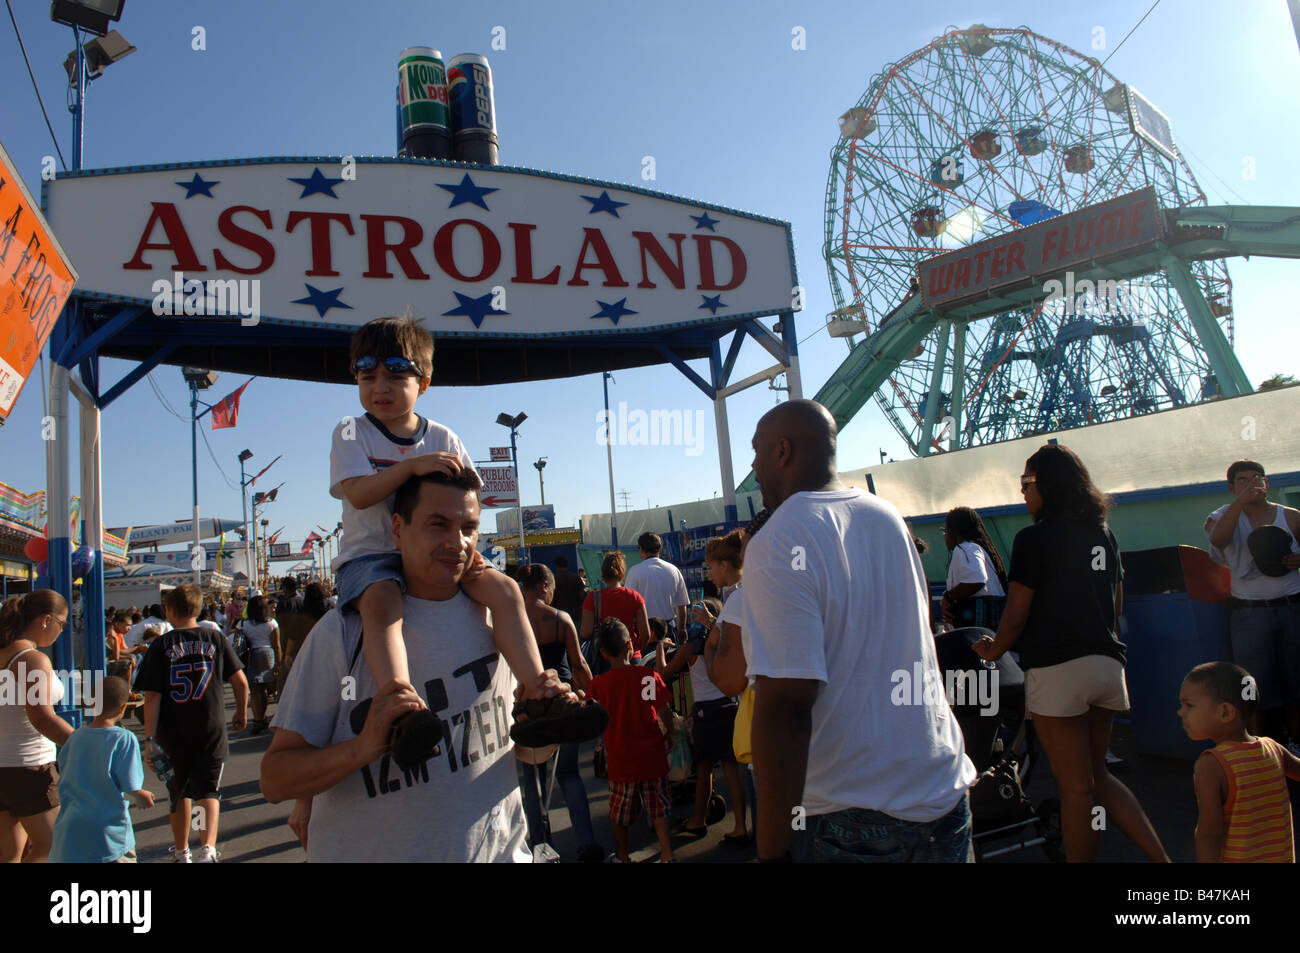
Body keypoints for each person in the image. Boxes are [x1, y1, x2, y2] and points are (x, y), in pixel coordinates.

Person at [262, 468, 589, 862]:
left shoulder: (496, 620)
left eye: (469, 527)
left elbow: (522, 756)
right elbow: (275, 779)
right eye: (438, 525)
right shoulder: (344, 633)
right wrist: (363, 748)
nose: (458, 542)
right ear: (397, 529)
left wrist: (542, 726)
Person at [744, 400, 976, 863]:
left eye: (757, 452)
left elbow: (787, 704)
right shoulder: (887, 516)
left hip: (851, 819)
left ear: (782, 451)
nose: (752, 468)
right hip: (944, 793)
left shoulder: (781, 539)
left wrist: (769, 849)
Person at [973, 443, 1169, 863]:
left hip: (1058, 670)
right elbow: (1114, 605)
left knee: (1075, 788)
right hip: (1106, 666)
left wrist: (993, 651)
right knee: (1097, 777)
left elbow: (1016, 615)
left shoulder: (1032, 539)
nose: (1022, 491)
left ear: (1047, 485)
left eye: (1027, 483)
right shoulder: (1104, 534)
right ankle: (1162, 859)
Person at [134, 584, 249, 863]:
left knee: (179, 792)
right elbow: (240, 682)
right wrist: (241, 712)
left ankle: (182, 850)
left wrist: (149, 739)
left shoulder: (162, 644)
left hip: (172, 732)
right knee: (208, 790)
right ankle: (207, 848)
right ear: (199, 608)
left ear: (170, 611)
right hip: (210, 726)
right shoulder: (216, 638)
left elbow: (151, 695)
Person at [1203, 460, 1300, 749]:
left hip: (1292, 606)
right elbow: (1219, 540)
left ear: (1266, 483)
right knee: (1254, 685)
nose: (1251, 484)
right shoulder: (1221, 517)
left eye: (1256, 478)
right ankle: (1259, 747)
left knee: (1296, 679)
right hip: (1249, 613)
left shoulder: (1291, 517)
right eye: (1242, 480)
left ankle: (1295, 742)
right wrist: (1239, 504)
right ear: (1232, 487)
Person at [658, 543, 748, 845]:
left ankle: (698, 820)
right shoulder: (724, 638)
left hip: (706, 712)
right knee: (733, 769)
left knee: (705, 770)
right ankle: (741, 825)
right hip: (730, 706)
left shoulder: (692, 648)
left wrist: (660, 651)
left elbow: (666, 673)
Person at [514, 563, 601, 862]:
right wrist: (596, 697)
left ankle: (541, 848)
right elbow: (578, 666)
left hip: (530, 707)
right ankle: (587, 843)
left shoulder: (511, 621)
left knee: (532, 780)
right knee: (569, 774)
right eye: (551, 589)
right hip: (564, 702)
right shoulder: (561, 618)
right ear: (543, 587)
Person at [1180, 661, 1300, 862]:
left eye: (1189, 705)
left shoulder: (1211, 765)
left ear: (1225, 712)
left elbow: (1210, 834)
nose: (1181, 713)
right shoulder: (1273, 748)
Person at [584, 619, 674, 863]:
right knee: (659, 810)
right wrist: (671, 732)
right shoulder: (646, 676)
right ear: (629, 644)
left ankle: (623, 856)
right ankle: (666, 854)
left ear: (602, 653)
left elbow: (591, 713)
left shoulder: (600, 684)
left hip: (621, 760)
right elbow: (662, 708)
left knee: (620, 815)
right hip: (652, 755)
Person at [0, 590, 74, 862]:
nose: (61, 631)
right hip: (29, 766)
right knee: (54, 847)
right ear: (45, 620)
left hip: (5, 767)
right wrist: (85, 744)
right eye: (62, 624)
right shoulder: (31, 659)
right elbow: (42, 717)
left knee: (8, 855)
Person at [49, 676, 155, 863]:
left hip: (71, 831)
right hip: (108, 834)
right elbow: (130, 786)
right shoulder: (123, 739)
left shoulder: (75, 738)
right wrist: (143, 797)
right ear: (123, 708)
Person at [580, 551, 652, 667]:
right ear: (622, 572)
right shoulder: (634, 596)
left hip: (605, 658)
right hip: (631, 657)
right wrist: (636, 650)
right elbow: (646, 634)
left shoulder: (593, 598)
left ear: (603, 573)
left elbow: (585, 632)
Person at [940, 506, 1007, 630]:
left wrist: (948, 597)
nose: (945, 535)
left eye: (946, 530)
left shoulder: (965, 548)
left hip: (976, 634)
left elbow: (977, 579)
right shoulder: (979, 549)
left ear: (953, 531)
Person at [624, 533, 690, 642]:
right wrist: (682, 629)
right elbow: (682, 604)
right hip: (668, 630)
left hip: (644, 632)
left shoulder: (635, 571)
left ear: (641, 549)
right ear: (659, 549)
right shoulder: (674, 570)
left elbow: (628, 605)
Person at [241, 595, 282, 735]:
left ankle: (258, 719)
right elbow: (276, 645)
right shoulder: (272, 623)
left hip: (252, 654)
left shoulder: (244, 624)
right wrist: (278, 664)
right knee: (268, 688)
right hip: (268, 653)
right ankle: (267, 717)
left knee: (255, 689)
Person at [550, 556, 587, 624]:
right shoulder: (576, 578)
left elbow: (551, 600)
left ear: (556, 566)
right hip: (576, 615)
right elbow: (582, 595)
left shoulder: (554, 580)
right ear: (566, 565)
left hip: (560, 616)